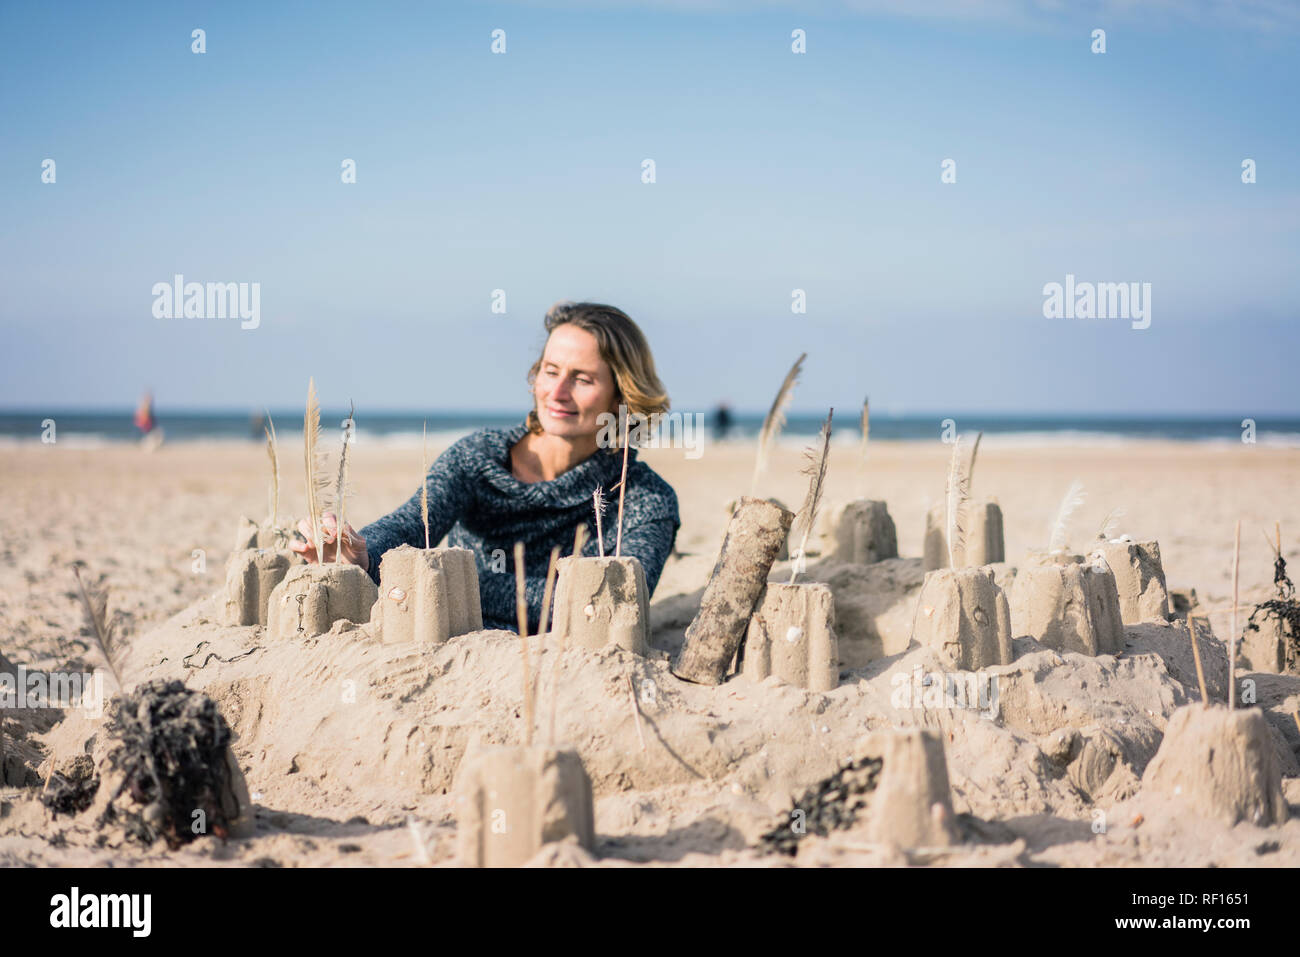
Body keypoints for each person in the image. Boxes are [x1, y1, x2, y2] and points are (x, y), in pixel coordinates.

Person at [291, 301, 681, 633]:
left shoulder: (648, 501)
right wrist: (361, 554)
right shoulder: (477, 459)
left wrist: (452, 581)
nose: (557, 392)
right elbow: (410, 523)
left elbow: (615, 608)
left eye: (582, 378)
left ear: (622, 395)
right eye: (550, 370)